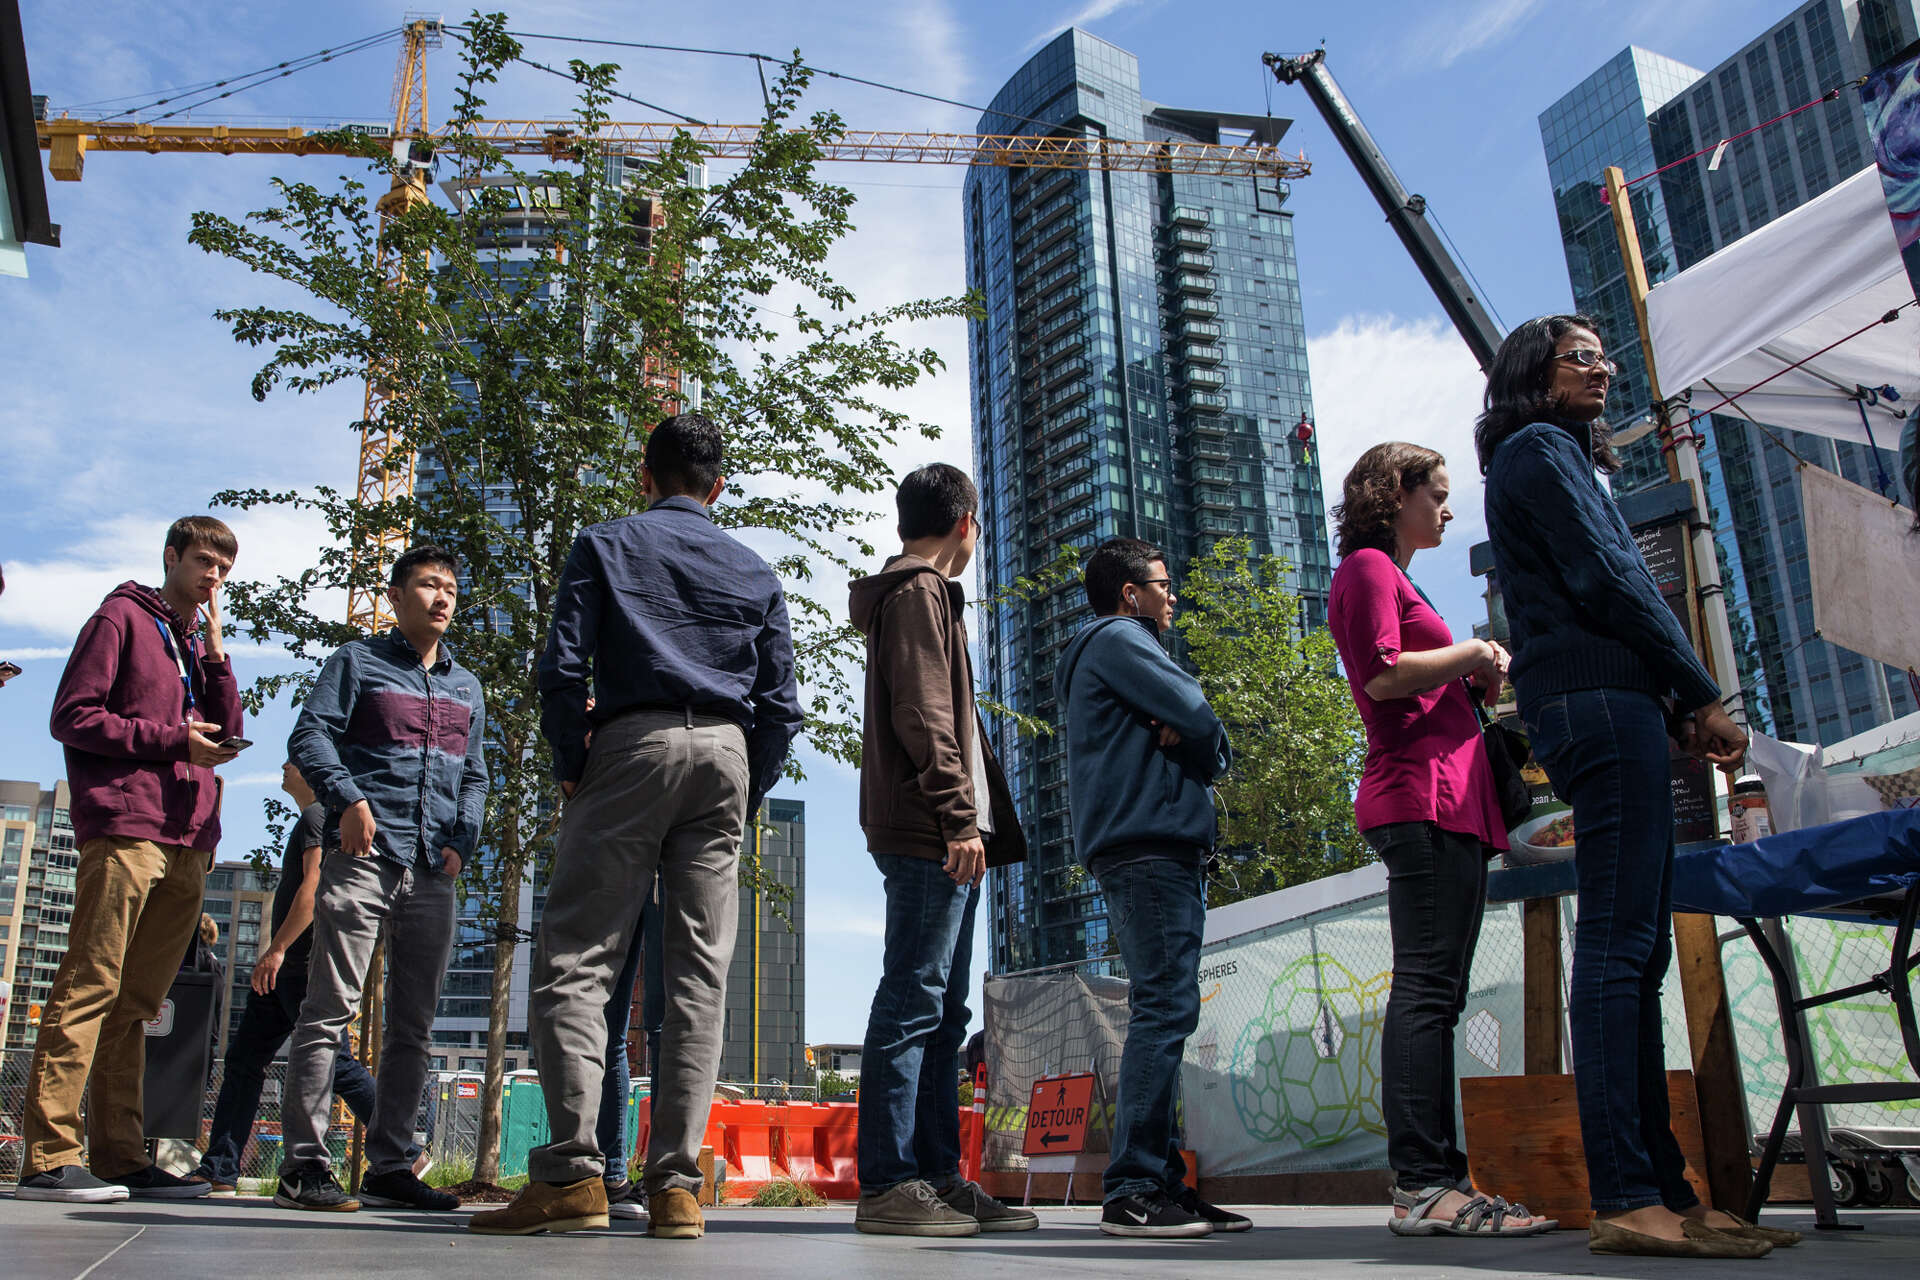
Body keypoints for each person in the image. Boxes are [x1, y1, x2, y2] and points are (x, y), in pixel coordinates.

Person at [1480, 315, 1791, 1260]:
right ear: (1534, 373)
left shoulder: (1558, 456)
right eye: (1579, 356)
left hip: (1614, 704)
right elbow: (1613, 575)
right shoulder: (1537, 449)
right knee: (1619, 953)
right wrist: (1698, 690)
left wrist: (1673, 700)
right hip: (1597, 704)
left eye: (1603, 356)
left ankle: (1668, 1188)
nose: (1601, 370)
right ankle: (1626, 1192)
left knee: (1639, 953)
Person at [473, 412, 803, 1239]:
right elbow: (782, 709)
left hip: (630, 742)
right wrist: (743, 785)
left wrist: (571, 762)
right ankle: (678, 1190)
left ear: (644, 477)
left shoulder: (604, 543)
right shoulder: (755, 569)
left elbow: (562, 667)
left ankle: (576, 1175)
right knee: (698, 980)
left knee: (578, 961)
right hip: (725, 754)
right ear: (718, 487)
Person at [1328, 443, 1553, 1238]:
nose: (1449, 510)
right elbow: (1382, 675)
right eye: (1439, 495)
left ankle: (1439, 1181)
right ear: (1396, 494)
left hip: (1449, 804)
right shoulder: (1365, 569)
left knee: (1438, 994)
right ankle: (1424, 1185)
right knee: (1426, 992)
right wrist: (1474, 653)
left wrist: (1472, 679)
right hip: (1419, 800)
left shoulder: (1395, 575)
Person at [17, 516, 244, 1203]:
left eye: (224, 570)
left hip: (186, 839)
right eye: (204, 562)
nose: (213, 578)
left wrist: (215, 655)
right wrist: (170, 739)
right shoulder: (118, 617)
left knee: (139, 1001)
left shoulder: (192, 640)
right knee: (91, 983)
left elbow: (228, 731)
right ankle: (49, 1158)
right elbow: (72, 716)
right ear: (172, 557)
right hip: (125, 827)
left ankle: (118, 1156)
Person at [845, 463, 1036, 1237]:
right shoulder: (920, 593)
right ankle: (890, 1181)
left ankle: (935, 1178)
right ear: (966, 523)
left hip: (953, 834)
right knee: (912, 1000)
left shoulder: (921, 597)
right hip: (935, 831)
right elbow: (923, 710)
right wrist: (959, 816)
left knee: (943, 1010)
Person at [276, 544, 488, 1213]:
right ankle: (303, 1167)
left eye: (450, 587)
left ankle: (391, 1163)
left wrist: (464, 840)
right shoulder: (356, 662)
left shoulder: (466, 686)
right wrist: (349, 802)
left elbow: (476, 773)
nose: (442, 597)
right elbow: (309, 738)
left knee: (414, 1027)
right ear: (395, 597)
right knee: (328, 1013)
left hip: (433, 873)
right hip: (365, 858)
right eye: (427, 584)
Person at [1055, 537, 1244, 1239]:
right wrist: (1197, 733)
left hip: (1147, 847)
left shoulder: (1112, 647)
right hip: (1149, 846)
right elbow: (1198, 713)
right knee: (1164, 1009)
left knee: (1165, 1009)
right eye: (1163, 585)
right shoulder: (1120, 637)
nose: (1173, 596)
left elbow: (1202, 734)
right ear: (1130, 593)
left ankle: (1161, 1180)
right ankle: (1133, 1187)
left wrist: (1199, 737)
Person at [194, 761, 423, 1193]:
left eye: (292, 763)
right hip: (285, 966)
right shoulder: (313, 817)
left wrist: (277, 950)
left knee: (335, 1063)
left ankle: (406, 1150)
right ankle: (219, 1168)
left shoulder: (320, 814)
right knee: (246, 1061)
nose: (282, 767)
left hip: (299, 963)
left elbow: (314, 885)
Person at [595, 880, 663, 1219]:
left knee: (662, 1029)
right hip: (625, 852)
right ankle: (612, 1178)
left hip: (673, 858)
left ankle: (662, 1182)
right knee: (607, 1029)